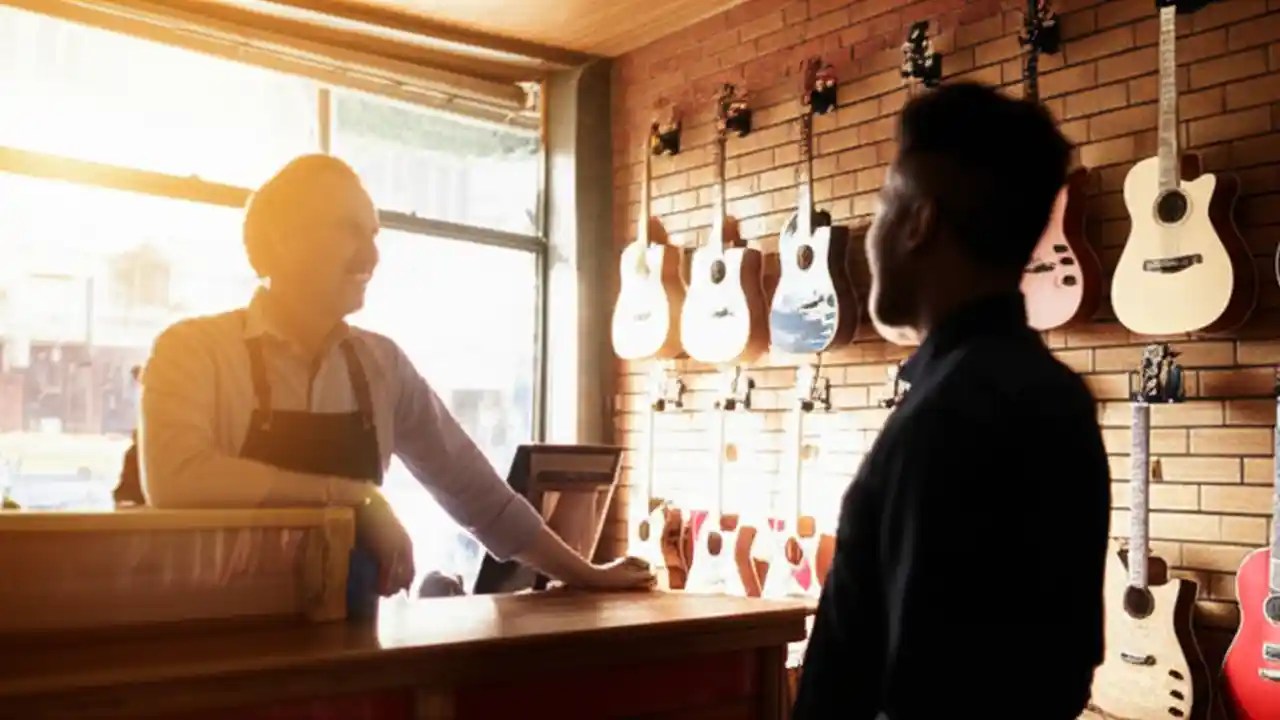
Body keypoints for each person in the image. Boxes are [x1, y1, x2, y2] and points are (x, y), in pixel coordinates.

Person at [134, 154, 653, 612]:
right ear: (280, 240)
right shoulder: (193, 349)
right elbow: (179, 480)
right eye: (349, 230)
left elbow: (479, 497)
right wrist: (355, 498)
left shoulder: (382, 365)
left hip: (355, 644)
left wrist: (587, 575)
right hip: (220, 643)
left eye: (373, 235)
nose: (372, 257)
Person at [792, 83, 1111, 719]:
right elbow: (1067, 665)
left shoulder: (947, 415)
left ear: (920, 222)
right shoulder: (1058, 397)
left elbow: (921, 687)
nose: (871, 237)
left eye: (883, 207)